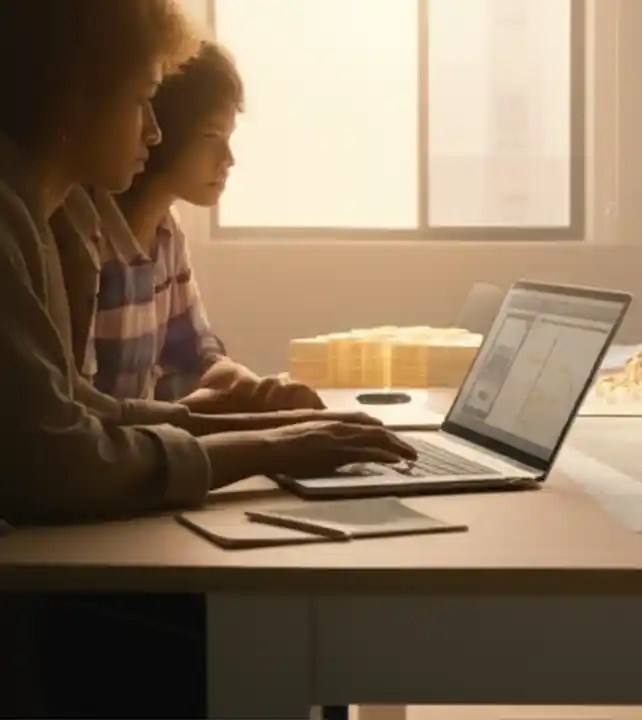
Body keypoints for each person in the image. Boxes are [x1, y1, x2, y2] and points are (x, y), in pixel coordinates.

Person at [0, 0, 416, 523]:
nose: (153, 132)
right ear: (73, 100)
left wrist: (277, 433)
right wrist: (271, 448)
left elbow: (79, 407)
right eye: (141, 101)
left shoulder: (33, 217)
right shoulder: (30, 230)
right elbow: (61, 459)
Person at [79, 41, 323, 412]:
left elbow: (195, 355)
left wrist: (259, 392)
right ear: (163, 128)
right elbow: (88, 413)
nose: (228, 159)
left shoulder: (167, 232)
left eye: (229, 138)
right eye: (211, 137)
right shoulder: (87, 235)